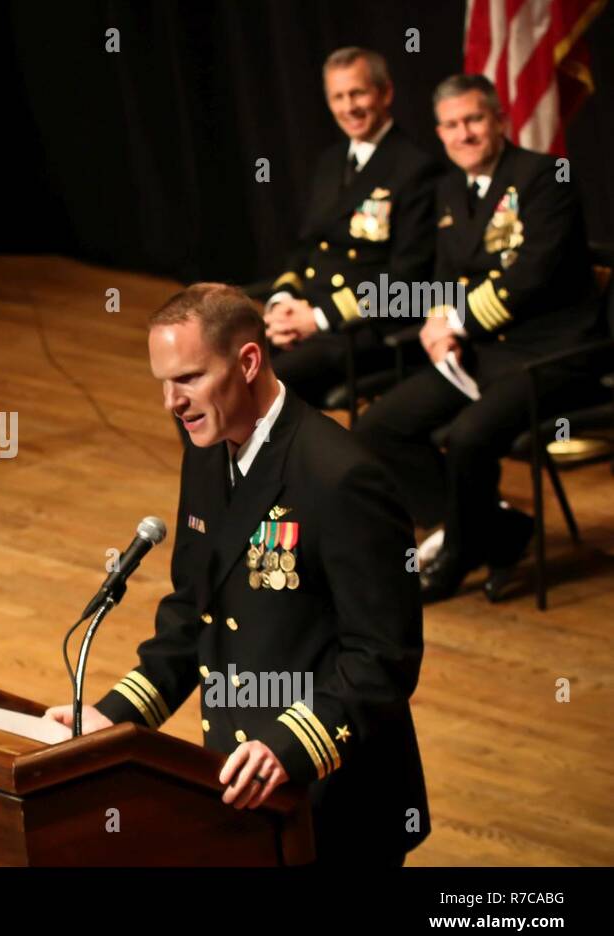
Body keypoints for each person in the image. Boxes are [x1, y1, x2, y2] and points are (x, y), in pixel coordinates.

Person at [48, 283, 428, 865]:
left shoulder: (340, 476)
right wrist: (114, 718)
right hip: (237, 782)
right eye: (164, 383)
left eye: (189, 378)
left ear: (248, 361)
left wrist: (286, 748)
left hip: (332, 791)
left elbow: (382, 657)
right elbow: (192, 613)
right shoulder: (205, 451)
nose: (171, 402)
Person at [352, 75, 603, 604]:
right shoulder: (450, 189)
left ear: (500, 121)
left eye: (473, 120)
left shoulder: (545, 177)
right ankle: (493, 530)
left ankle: (460, 553)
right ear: (439, 133)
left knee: (468, 437)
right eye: (450, 125)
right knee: (380, 427)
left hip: (553, 354)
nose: (462, 134)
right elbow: (448, 276)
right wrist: (436, 320)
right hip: (483, 353)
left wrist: (455, 322)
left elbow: (533, 275)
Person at [266, 47, 441, 407]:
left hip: (363, 330)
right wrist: (282, 302)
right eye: (338, 97)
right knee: (207, 372)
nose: (349, 107)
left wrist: (318, 317)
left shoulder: (416, 169)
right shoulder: (331, 162)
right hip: (306, 315)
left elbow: (409, 280)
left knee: (256, 388)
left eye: (358, 93)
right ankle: (228, 467)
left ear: (385, 93)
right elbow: (307, 246)